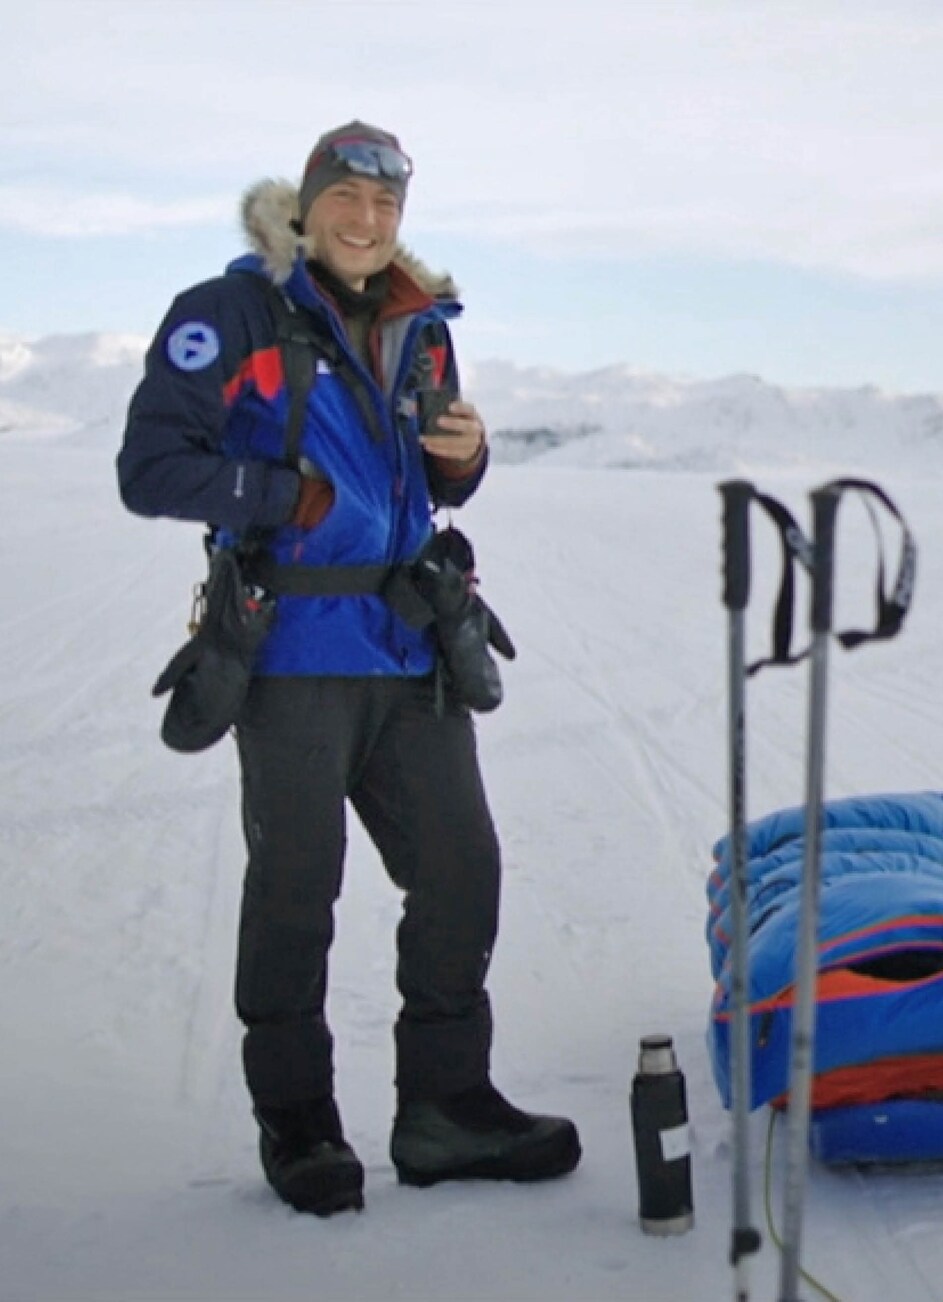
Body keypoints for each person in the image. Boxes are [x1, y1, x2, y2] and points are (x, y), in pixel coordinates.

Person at [118, 122, 577, 1217]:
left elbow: (429, 479)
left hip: (412, 645)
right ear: (306, 203)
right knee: (295, 895)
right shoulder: (226, 315)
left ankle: (445, 1109)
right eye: (347, 202)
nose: (367, 225)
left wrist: (463, 460)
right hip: (289, 655)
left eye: (386, 208)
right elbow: (151, 469)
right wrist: (283, 501)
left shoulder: (422, 327)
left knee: (461, 871)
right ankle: (300, 1126)